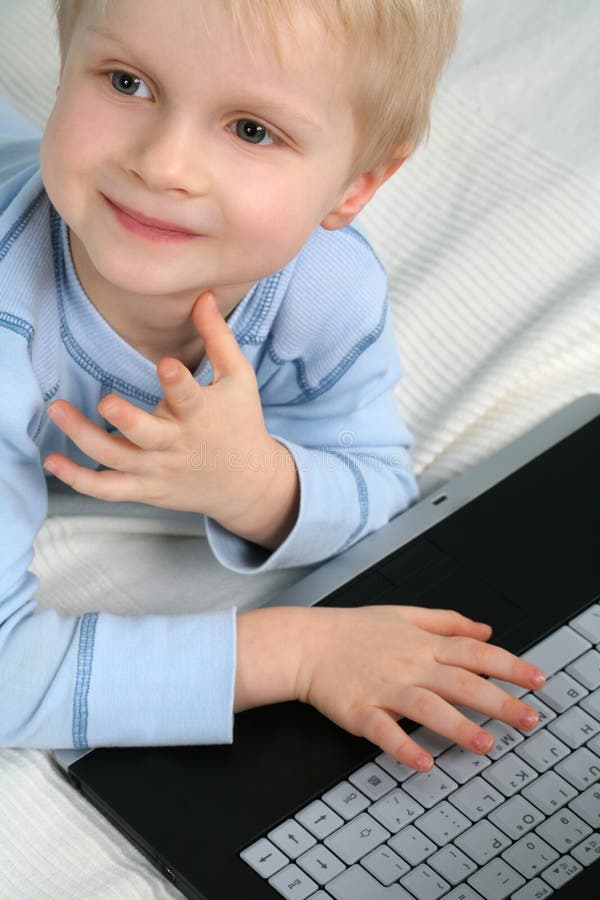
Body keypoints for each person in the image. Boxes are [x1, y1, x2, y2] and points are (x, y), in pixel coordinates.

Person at [0, 0, 545, 769]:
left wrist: (254, 483)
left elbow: (379, 484)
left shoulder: (322, 291)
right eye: (126, 81)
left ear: (356, 186)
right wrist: (293, 653)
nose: (163, 165)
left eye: (252, 129)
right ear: (64, 65)